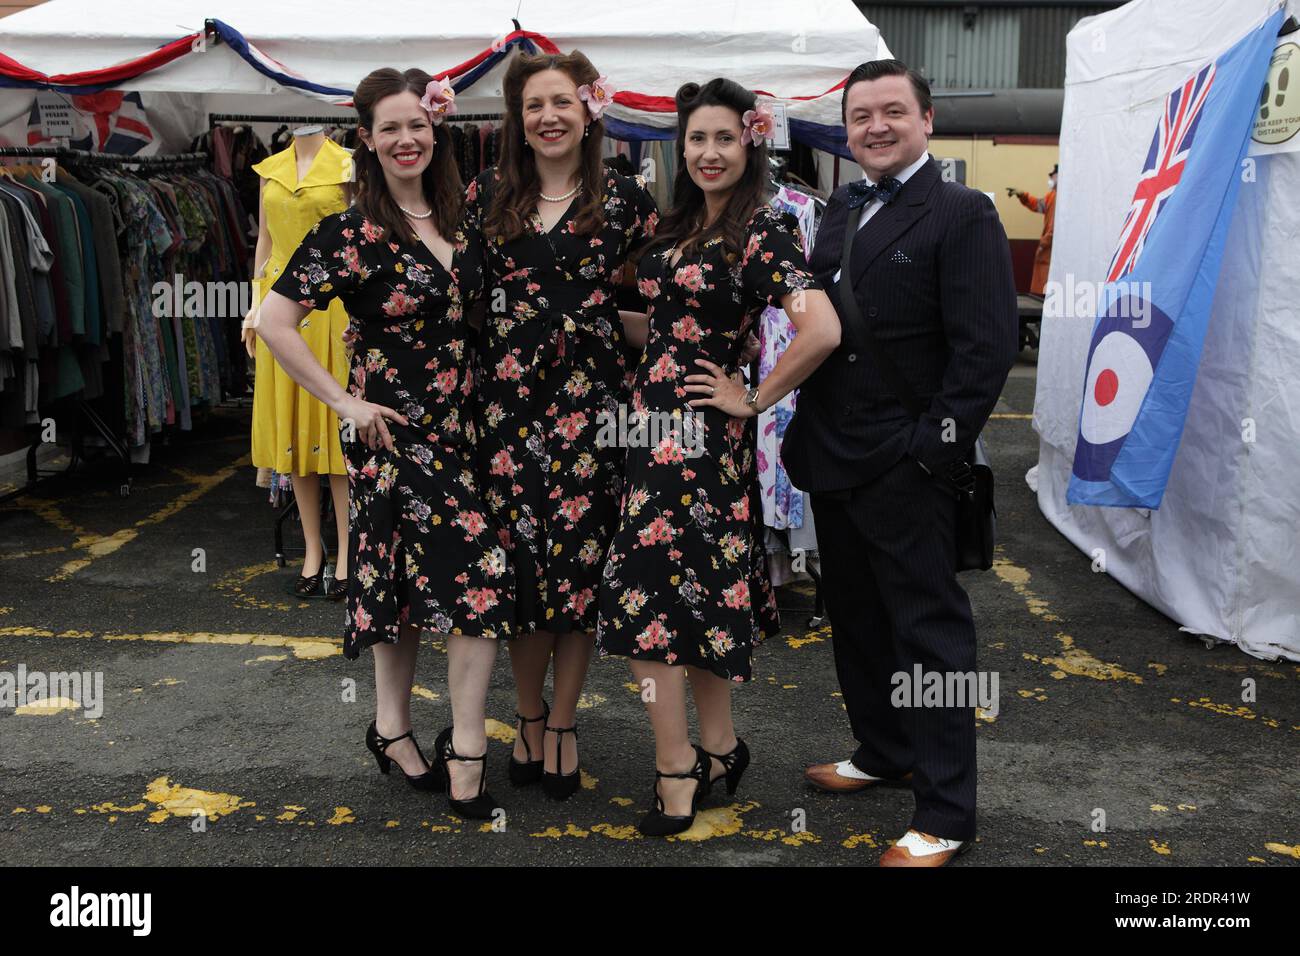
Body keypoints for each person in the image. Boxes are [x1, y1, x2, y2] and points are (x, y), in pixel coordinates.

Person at [254, 67, 514, 820]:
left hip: (465, 430)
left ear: (437, 133)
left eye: (418, 126)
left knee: (406, 584)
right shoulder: (348, 229)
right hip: (392, 435)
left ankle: (395, 729)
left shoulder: (462, 219)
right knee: (468, 581)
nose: (407, 139)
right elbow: (276, 323)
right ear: (365, 139)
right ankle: (463, 749)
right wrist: (341, 400)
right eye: (391, 128)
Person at [781, 59, 1018, 866]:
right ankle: (882, 748)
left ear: (927, 119)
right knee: (855, 618)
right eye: (860, 116)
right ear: (844, 130)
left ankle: (947, 812)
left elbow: (984, 352)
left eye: (892, 112)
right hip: (832, 457)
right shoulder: (839, 210)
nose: (875, 127)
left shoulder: (964, 213)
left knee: (932, 638)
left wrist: (929, 455)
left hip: (907, 464)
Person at [595, 78, 841, 836]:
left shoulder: (764, 228)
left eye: (724, 139)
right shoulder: (680, 224)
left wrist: (755, 398)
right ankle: (722, 745)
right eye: (696, 139)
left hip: (698, 449)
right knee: (686, 605)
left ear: (752, 141)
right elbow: (665, 332)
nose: (708, 152)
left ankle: (678, 771)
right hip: (651, 440)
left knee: (643, 609)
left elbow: (822, 330)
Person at [464, 51, 658, 800]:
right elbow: (456, 299)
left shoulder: (628, 200)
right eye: (533, 104)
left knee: (577, 576)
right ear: (518, 118)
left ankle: (568, 722)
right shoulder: (486, 196)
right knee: (517, 571)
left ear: (589, 111)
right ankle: (529, 716)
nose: (547, 116)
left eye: (561, 102)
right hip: (507, 413)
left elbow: (659, 307)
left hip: (594, 417)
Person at [243, 127, 354, 598]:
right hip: (280, 312)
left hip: (336, 309)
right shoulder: (271, 170)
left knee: (336, 439)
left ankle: (350, 552)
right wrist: (254, 305)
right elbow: (264, 245)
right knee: (297, 439)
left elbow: (361, 238)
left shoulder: (349, 166)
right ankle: (313, 550)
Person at [1007, 165, 1056, 295]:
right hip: (1049, 247)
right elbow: (1038, 205)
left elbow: (1053, 228)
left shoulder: (1059, 197)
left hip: (1050, 249)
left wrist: (1043, 243)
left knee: (1045, 288)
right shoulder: (1053, 196)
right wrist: (1023, 195)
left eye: (1053, 175)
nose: (1050, 178)